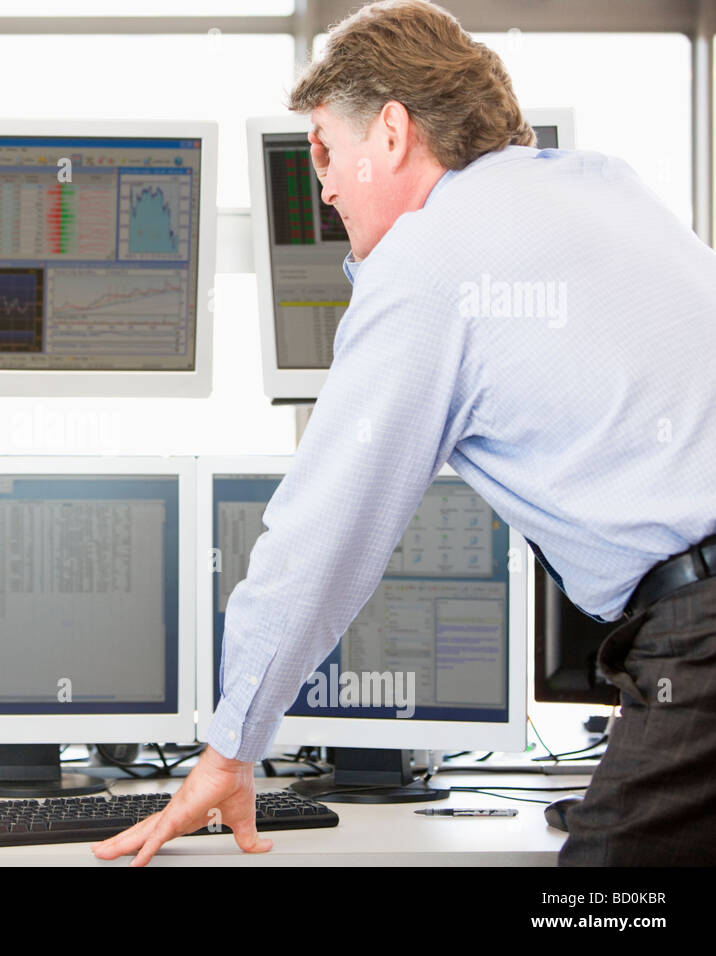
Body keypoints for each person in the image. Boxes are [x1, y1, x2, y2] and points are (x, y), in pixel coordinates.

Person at [92, 0, 716, 867]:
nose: (324, 184)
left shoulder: (429, 266)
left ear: (390, 132)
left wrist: (232, 748)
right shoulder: (603, 183)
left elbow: (324, 540)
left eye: (326, 148)